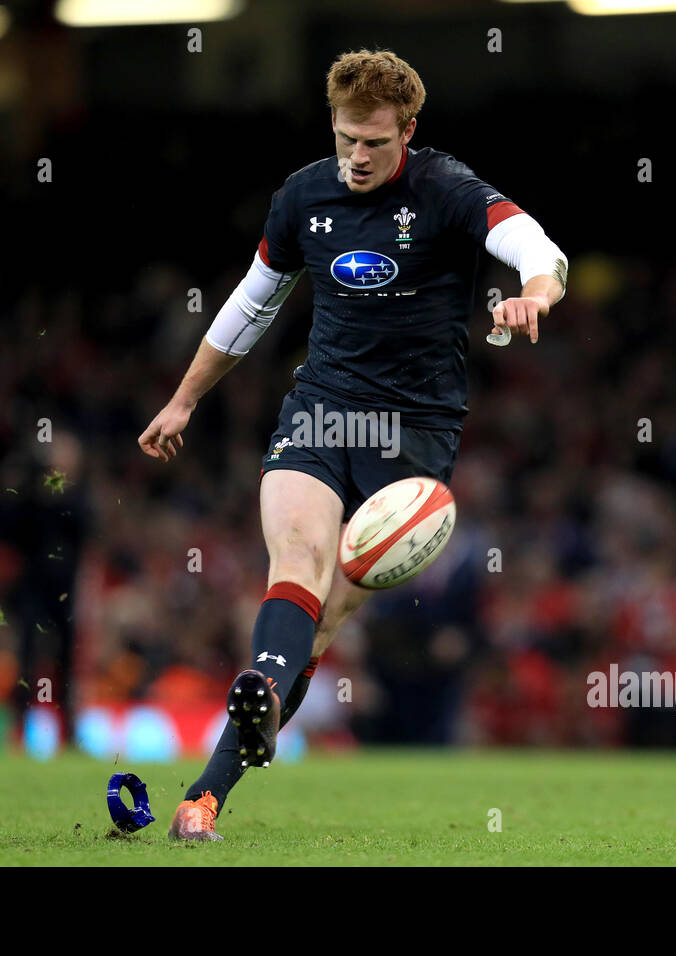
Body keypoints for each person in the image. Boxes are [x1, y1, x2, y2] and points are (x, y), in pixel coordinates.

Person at [138, 49, 567, 840]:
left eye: (374, 141)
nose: (357, 157)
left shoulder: (446, 189)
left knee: (326, 616)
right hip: (322, 411)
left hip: (413, 443)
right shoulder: (303, 197)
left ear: (409, 129)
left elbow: (537, 248)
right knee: (294, 565)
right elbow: (251, 304)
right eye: (345, 139)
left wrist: (533, 294)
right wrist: (184, 398)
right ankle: (206, 795)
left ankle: (237, 739)